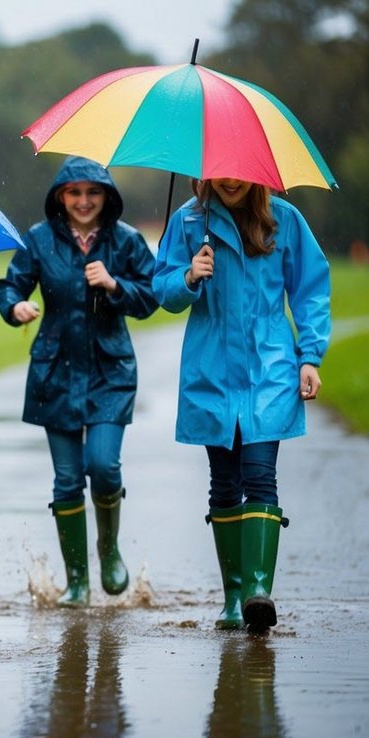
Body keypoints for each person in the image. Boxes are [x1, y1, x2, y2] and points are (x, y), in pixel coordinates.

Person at [152, 177, 330, 632]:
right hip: (211, 368)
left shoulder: (283, 221)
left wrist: (309, 356)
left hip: (268, 366)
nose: (231, 180)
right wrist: (189, 275)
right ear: (206, 170)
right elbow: (163, 292)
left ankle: (257, 591)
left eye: (240, 170)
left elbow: (310, 289)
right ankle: (233, 598)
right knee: (225, 483)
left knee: (259, 474)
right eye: (221, 170)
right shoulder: (189, 220)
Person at [0, 156, 159, 608]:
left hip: (110, 372)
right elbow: (10, 286)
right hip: (56, 371)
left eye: (93, 193)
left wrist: (114, 285)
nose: (84, 201)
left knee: (103, 467)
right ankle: (77, 582)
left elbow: (151, 298)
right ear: (60, 198)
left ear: (107, 197)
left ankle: (108, 551)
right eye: (74, 193)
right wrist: (15, 308)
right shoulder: (38, 240)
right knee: (67, 480)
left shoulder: (125, 242)